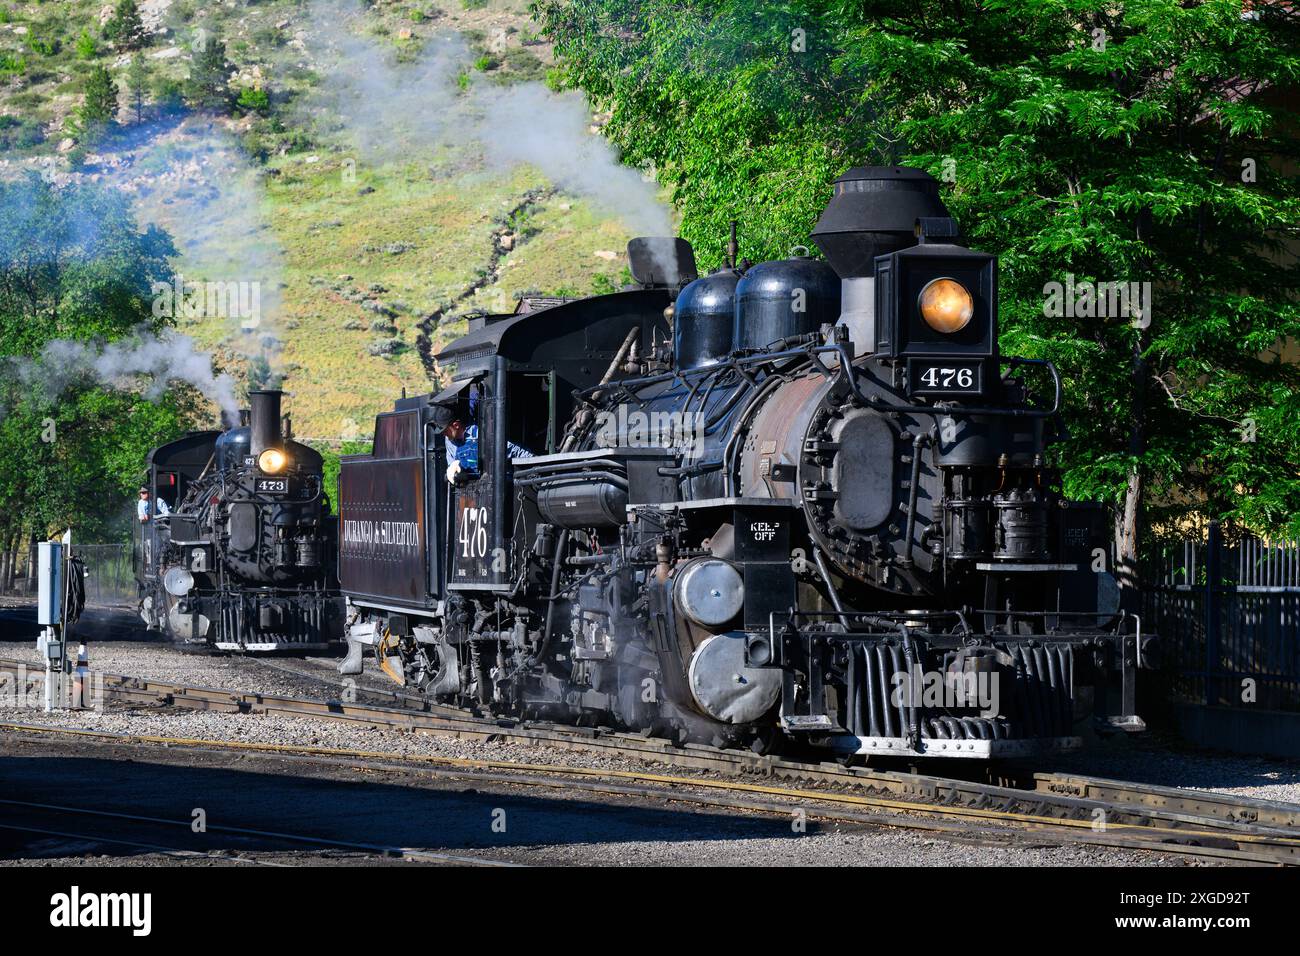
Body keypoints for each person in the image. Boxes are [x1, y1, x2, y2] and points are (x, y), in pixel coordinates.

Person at [434, 399, 533, 484]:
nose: (443, 434)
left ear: (456, 425)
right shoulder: (449, 440)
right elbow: (451, 463)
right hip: (468, 492)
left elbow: (511, 449)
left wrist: (534, 460)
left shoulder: (481, 433)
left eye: (445, 430)